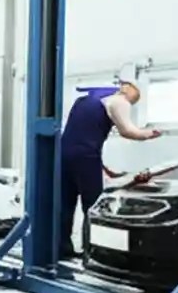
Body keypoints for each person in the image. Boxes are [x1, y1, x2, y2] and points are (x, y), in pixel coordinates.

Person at [59, 81, 161, 257]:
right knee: (93, 205)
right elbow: (128, 131)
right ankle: (91, 252)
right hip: (87, 156)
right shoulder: (119, 100)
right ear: (130, 94)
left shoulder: (84, 100)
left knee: (64, 204)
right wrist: (149, 134)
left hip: (63, 154)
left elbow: (80, 137)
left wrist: (104, 168)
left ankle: (61, 249)